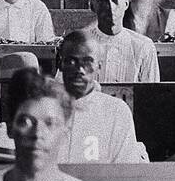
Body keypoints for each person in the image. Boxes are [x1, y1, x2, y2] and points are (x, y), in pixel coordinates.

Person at [55, 30, 150, 162]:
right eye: (71, 61)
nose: (80, 70)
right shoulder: (44, 108)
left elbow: (125, 170)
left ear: (99, 66)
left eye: (87, 62)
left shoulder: (116, 111)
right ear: (60, 64)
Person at [82, 0, 160, 82]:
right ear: (92, 5)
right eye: (101, 0)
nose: (110, 7)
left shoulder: (144, 47)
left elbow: (151, 94)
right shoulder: (79, 45)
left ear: (126, 4)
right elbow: (62, 92)